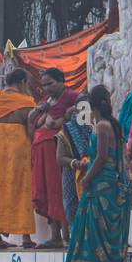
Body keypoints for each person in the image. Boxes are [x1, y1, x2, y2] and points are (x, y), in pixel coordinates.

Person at [62, 85, 132, 262]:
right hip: (111, 183)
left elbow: (101, 157)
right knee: (100, 231)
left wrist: (86, 179)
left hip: (100, 183)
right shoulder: (114, 124)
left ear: (92, 107)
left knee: (94, 230)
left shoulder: (102, 126)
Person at [0, 69, 36, 249]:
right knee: (21, 187)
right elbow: (31, 124)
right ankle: (26, 237)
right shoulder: (28, 101)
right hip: (19, 144)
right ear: (22, 82)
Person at [28, 68, 80, 248]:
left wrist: (65, 117)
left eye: (50, 83)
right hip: (40, 151)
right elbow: (32, 121)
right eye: (43, 85)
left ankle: (68, 234)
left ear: (62, 81)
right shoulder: (45, 102)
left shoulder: (73, 97)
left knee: (58, 190)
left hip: (57, 152)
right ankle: (55, 235)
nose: (46, 88)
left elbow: (83, 120)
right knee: (45, 192)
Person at [55, 94, 92, 228]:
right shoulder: (67, 130)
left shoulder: (98, 128)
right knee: (72, 209)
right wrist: (75, 163)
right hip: (71, 176)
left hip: (94, 174)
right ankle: (76, 240)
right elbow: (60, 158)